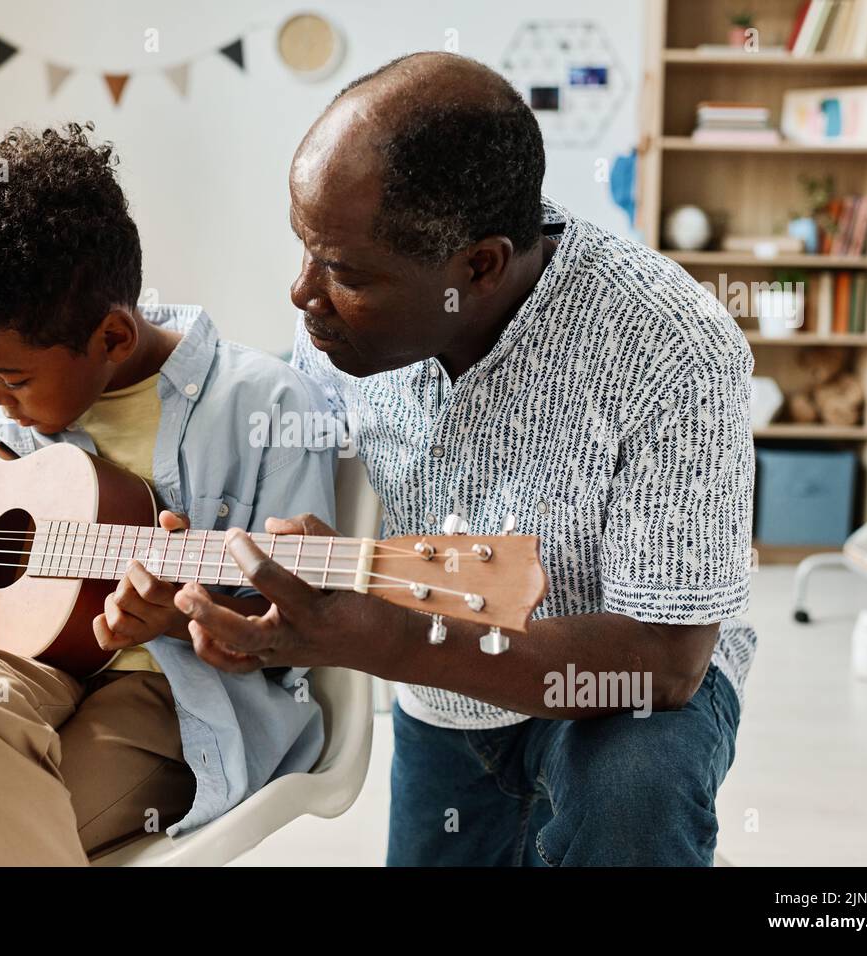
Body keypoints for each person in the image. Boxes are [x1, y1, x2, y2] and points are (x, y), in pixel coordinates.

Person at [173, 53, 758, 866]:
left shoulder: (674, 350)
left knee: (632, 800)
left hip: (628, 699)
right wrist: (225, 593)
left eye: (342, 271)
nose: (303, 292)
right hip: (447, 701)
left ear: (477, 268)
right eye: (306, 250)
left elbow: (665, 664)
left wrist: (388, 640)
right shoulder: (347, 337)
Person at [0, 123, 335, 865]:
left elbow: (296, 629)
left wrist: (178, 620)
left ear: (113, 337)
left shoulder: (265, 406)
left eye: (13, 380)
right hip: (20, 665)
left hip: (171, 699)